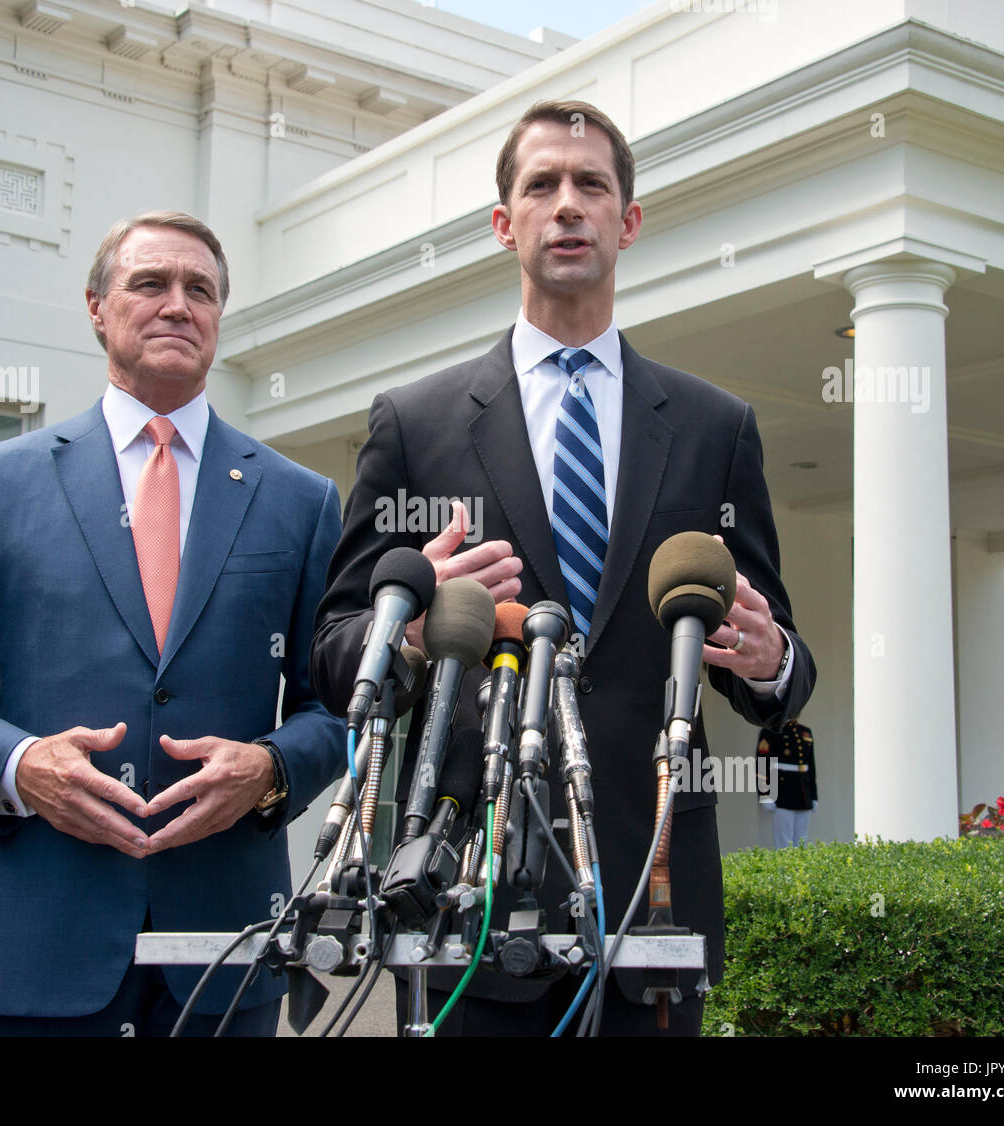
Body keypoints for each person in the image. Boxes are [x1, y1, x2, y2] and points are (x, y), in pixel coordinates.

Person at [310, 101, 816, 1035]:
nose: (567, 205)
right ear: (504, 224)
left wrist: (768, 655)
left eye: (592, 185)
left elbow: (780, 674)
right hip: (465, 894)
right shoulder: (413, 424)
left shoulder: (714, 428)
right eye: (541, 185)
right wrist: (410, 631)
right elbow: (337, 652)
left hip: (653, 900)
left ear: (628, 221)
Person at [0, 211, 345, 1036]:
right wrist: (20, 764)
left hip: (223, 963)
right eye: (150, 283)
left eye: (200, 290)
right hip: (36, 955)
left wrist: (269, 769)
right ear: (97, 307)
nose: (177, 305)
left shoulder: (301, 502)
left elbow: (337, 705)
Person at [757, 718, 818, 847]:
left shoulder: (805, 732)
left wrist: (813, 795)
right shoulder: (771, 731)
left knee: (802, 841)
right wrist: (765, 794)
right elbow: (763, 763)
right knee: (784, 843)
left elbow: (811, 767)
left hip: (803, 794)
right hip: (783, 793)